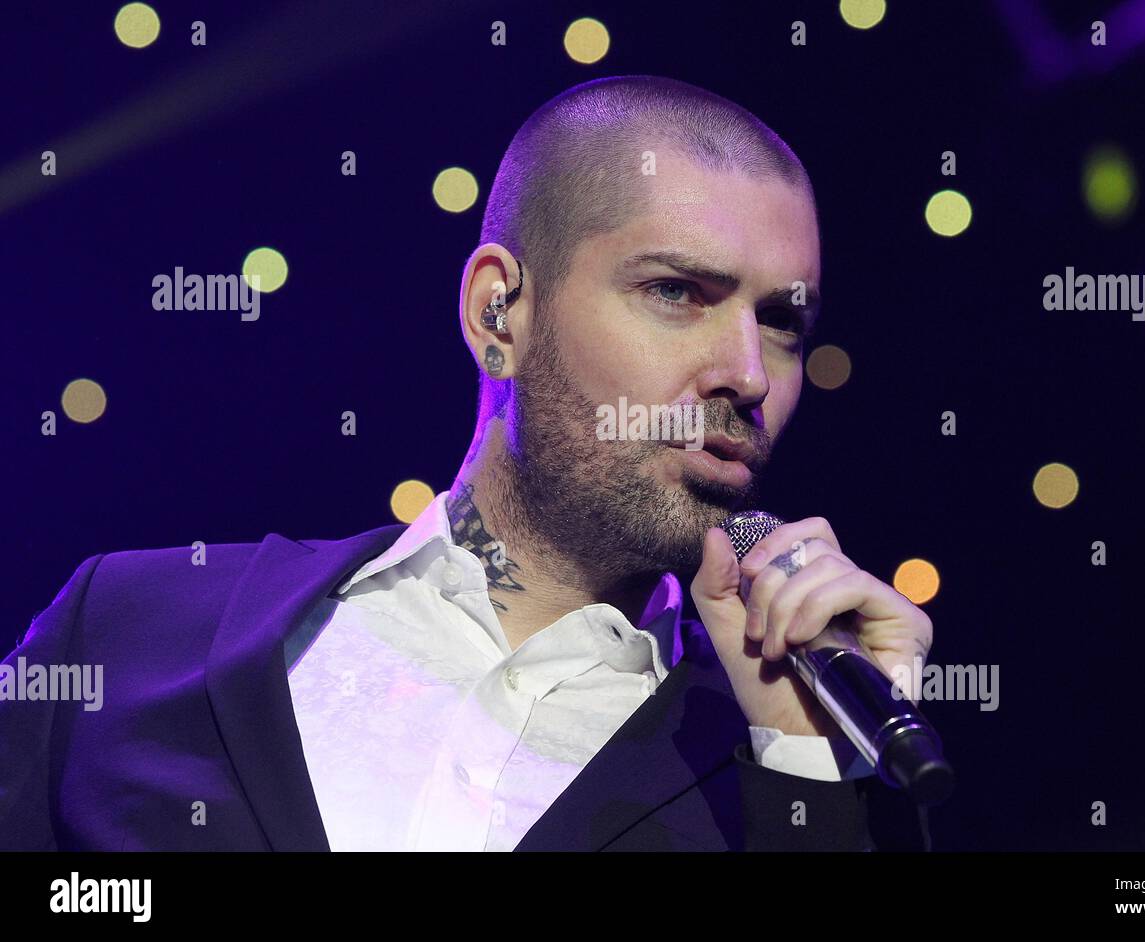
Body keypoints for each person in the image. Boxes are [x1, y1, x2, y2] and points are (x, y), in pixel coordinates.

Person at [0, 75, 933, 851]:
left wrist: (806, 759)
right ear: (501, 312)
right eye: (677, 291)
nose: (746, 374)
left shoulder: (774, 770)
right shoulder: (130, 629)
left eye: (781, 323)